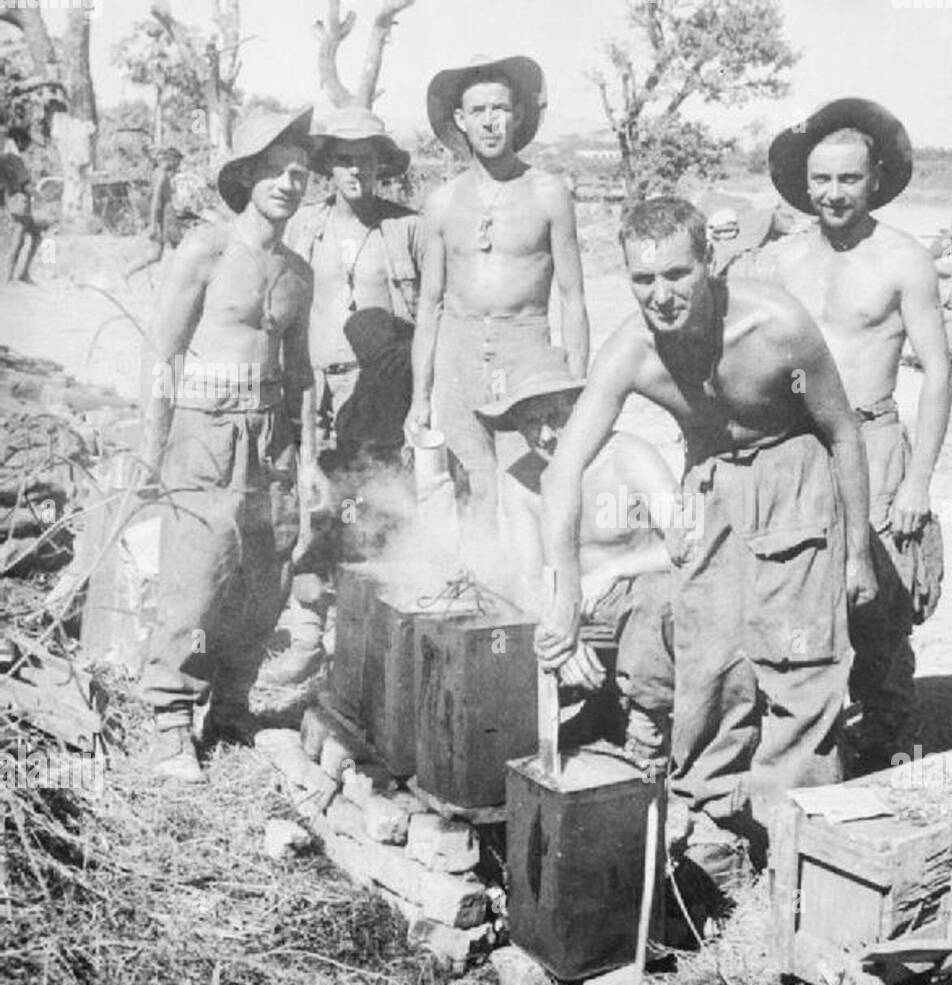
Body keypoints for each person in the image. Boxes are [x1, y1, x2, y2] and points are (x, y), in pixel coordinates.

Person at [535, 197, 875, 877]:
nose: (661, 296)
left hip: (793, 478)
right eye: (642, 280)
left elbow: (842, 431)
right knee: (711, 658)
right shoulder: (631, 351)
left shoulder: (776, 326)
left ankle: (796, 852)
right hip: (709, 489)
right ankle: (713, 828)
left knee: (797, 662)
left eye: (677, 275)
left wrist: (859, 550)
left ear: (710, 264)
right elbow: (563, 469)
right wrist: (564, 595)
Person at [757, 98, 952, 760]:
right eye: (821, 180)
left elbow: (939, 375)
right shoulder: (780, 260)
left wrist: (918, 482)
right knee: (797, 592)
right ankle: (803, 751)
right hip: (798, 448)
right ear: (804, 183)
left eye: (848, 179)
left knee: (880, 609)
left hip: (873, 440)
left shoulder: (903, 259)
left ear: (874, 179)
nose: (833, 194)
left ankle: (886, 745)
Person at [138, 107, 321, 781]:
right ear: (247, 178)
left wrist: (306, 459)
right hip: (206, 430)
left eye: (299, 172)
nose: (287, 182)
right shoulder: (206, 250)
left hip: (270, 435)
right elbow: (163, 351)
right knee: (198, 574)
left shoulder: (299, 272)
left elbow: (299, 373)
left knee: (264, 574)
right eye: (274, 170)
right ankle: (169, 720)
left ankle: (233, 706)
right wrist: (151, 444)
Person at [259, 107, 423, 687]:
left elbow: (433, 319)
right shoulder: (306, 226)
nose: (356, 169)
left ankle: (363, 645)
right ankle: (306, 637)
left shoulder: (407, 229)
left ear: (383, 163)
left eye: (367, 157)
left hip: (382, 391)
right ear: (330, 165)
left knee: (376, 508)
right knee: (312, 509)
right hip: (312, 389)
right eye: (345, 158)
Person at [410, 55, 588, 540]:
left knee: (529, 485)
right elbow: (429, 306)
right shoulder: (443, 202)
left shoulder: (549, 193)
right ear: (461, 121)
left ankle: (536, 601)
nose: (491, 121)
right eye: (479, 110)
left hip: (527, 355)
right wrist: (419, 397)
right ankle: (481, 596)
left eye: (501, 108)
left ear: (518, 116)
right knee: (471, 487)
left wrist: (574, 387)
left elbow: (573, 298)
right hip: (459, 354)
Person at [476, 355, 677, 754]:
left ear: (581, 409)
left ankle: (646, 722)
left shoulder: (628, 456)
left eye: (556, 417)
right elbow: (528, 576)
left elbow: (686, 541)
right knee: (492, 618)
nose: (546, 435)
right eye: (531, 423)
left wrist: (617, 570)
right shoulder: (520, 480)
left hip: (635, 601)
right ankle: (549, 729)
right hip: (565, 605)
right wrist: (561, 634)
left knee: (659, 595)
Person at [123, 147, 184, 283]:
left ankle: (127, 272)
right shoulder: (161, 175)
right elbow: (155, 199)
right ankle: (173, 281)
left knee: (155, 254)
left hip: (165, 216)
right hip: (166, 217)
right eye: (177, 162)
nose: (178, 165)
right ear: (171, 160)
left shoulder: (158, 172)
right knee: (179, 248)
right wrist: (153, 224)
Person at [1, 126, 43, 284]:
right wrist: (40, 196)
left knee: (35, 237)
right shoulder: (15, 159)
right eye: (25, 143)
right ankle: (10, 277)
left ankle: (21, 274)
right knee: (19, 239)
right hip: (22, 202)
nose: (27, 147)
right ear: (19, 141)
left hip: (12, 200)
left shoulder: (3, 159)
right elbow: (26, 185)